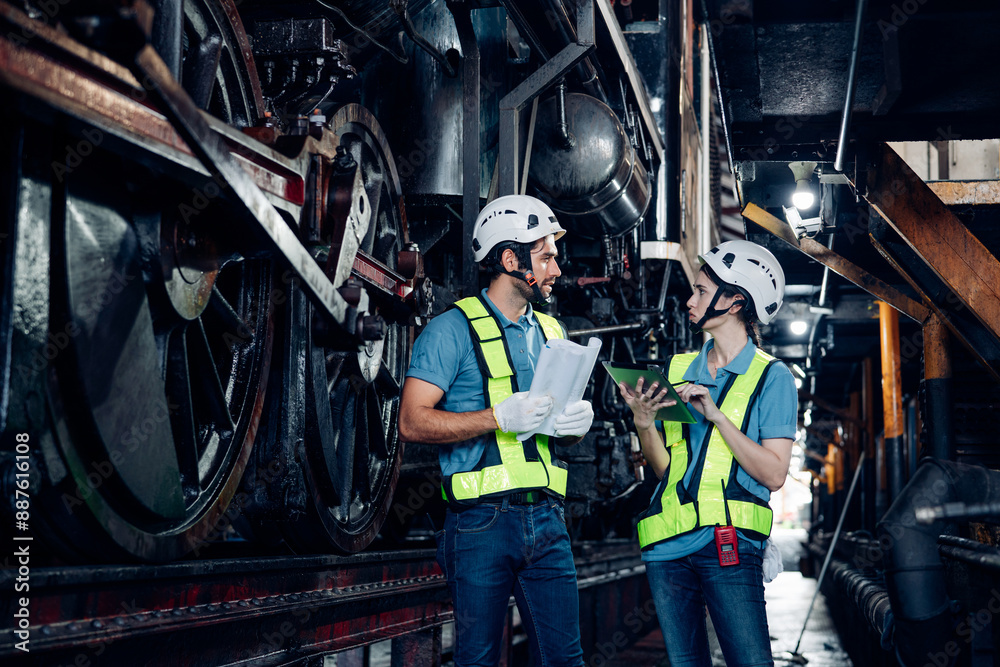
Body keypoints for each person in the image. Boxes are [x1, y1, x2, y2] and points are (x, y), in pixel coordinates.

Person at [398, 194, 592, 667]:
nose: (556, 269)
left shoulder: (553, 333)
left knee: (565, 661)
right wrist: (497, 418)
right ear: (510, 260)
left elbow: (552, 429)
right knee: (477, 661)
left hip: (548, 519)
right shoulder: (450, 330)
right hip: (479, 525)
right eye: (545, 257)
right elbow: (411, 421)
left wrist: (574, 428)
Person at [618, 240, 797, 667]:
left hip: (729, 544)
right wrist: (643, 422)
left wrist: (717, 416)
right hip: (668, 547)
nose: (689, 300)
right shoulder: (678, 369)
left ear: (735, 302)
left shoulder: (772, 378)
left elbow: (774, 474)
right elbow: (666, 469)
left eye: (701, 291)